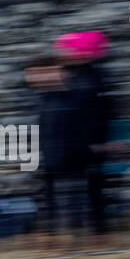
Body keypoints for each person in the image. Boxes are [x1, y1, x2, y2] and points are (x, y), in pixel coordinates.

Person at [56, 31, 116, 237]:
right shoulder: (82, 76)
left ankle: (92, 229)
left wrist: (95, 139)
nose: (62, 53)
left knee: (89, 185)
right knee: (85, 186)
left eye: (67, 50)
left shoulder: (87, 79)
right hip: (80, 139)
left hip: (86, 140)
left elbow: (100, 112)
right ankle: (86, 229)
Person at [25, 54, 85, 246]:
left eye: (38, 73)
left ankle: (73, 237)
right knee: (48, 198)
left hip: (68, 154)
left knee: (69, 197)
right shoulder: (42, 98)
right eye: (32, 74)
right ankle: (51, 236)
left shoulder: (69, 95)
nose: (33, 78)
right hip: (48, 154)